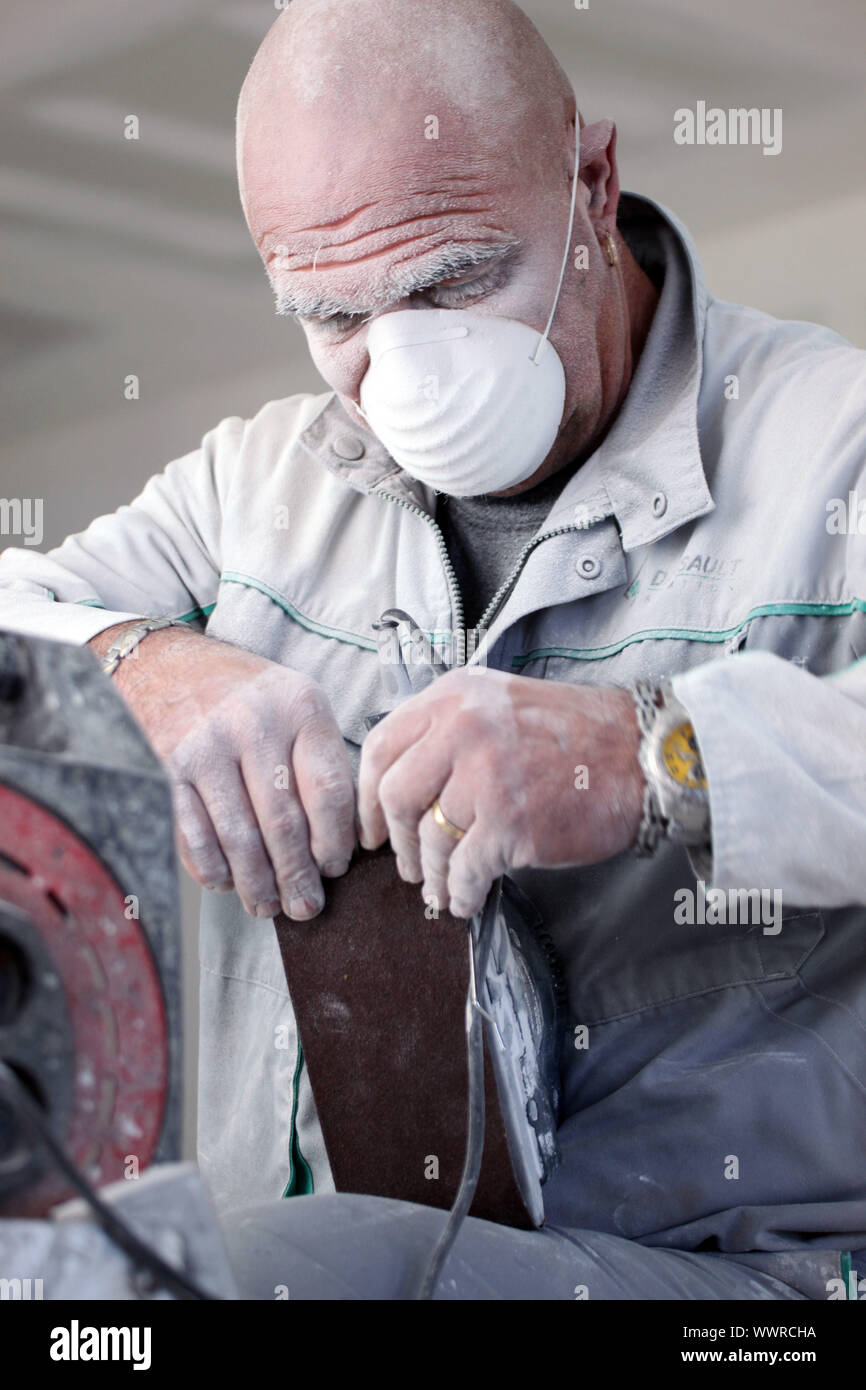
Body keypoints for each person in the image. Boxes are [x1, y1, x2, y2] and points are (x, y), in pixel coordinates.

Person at [1, 0, 864, 1299]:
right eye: (330, 315)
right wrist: (135, 662)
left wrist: (655, 754)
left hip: (743, 1289)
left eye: (456, 280)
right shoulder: (252, 492)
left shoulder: (825, 447)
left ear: (591, 182)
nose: (401, 372)